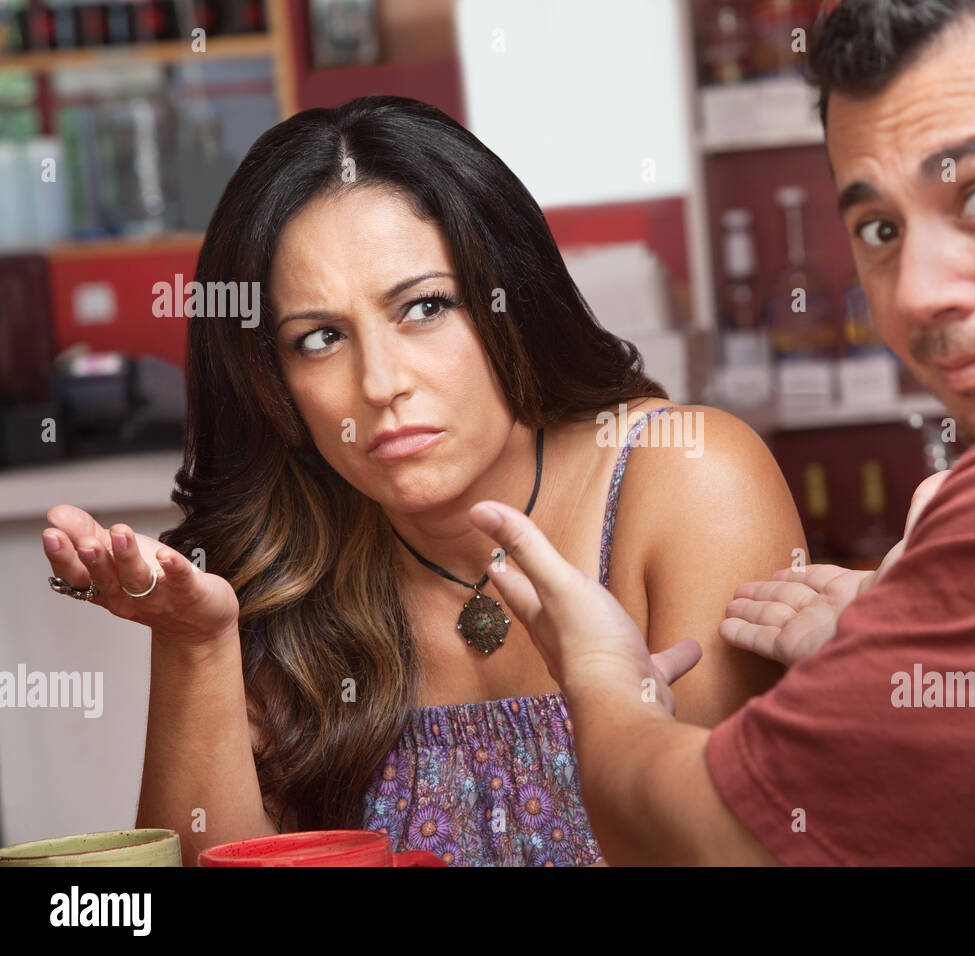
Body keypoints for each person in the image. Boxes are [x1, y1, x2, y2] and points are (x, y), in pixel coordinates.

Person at [458, 0, 975, 864]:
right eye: (880, 229)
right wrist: (927, 640)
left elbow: (716, 847)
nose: (918, 290)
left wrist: (603, 677)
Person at [39, 96, 802, 867]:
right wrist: (196, 648)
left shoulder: (689, 482)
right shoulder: (287, 559)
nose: (380, 382)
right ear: (275, 381)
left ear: (514, 299)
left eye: (425, 307)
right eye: (320, 338)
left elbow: (732, 854)